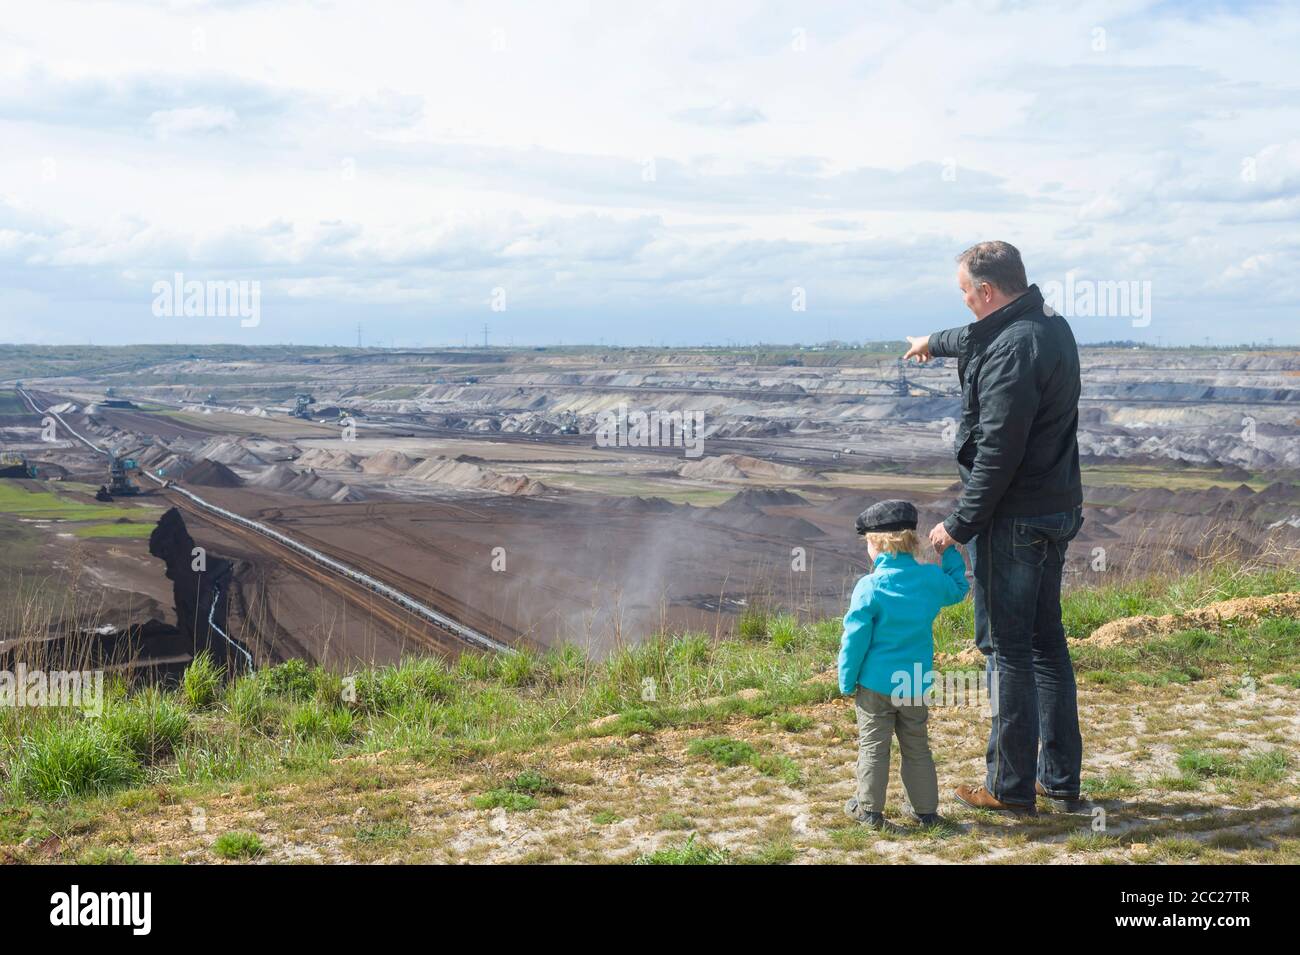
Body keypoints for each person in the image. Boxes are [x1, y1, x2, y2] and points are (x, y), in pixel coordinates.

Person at [904, 240, 1087, 815]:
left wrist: (960, 524)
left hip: (1016, 518)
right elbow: (973, 335)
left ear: (985, 291)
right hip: (1056, 508)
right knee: (1045, 646)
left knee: (1006, 651)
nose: (963, 303)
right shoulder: (1045, 324)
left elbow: (997, 453)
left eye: (965, 293)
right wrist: (930, 344)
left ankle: (1009, 789)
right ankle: (1057, 780)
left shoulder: (1012, 349)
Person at [838, 499, 969, 831]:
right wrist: (949, 552)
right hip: (913, 681)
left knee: (874, 747)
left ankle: (869, 811)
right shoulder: (928, 580)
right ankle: (926, 812)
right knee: (917, 747)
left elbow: (855, 638)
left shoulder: (869, 587)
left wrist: (846, 679)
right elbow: (958, 588)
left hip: (874, 685)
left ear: (879, 544)